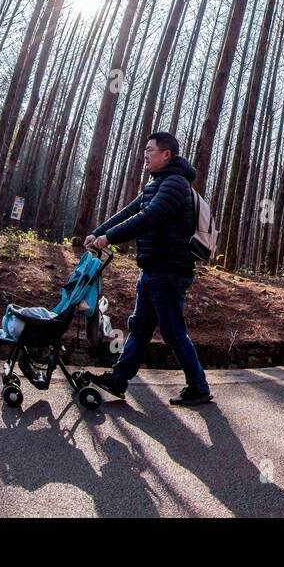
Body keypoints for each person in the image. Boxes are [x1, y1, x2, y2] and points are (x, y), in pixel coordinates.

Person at [85, 131, 212, 406]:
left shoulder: (175, 184)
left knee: (173, 331)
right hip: (152, 269)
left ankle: (199, 387)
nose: (145, 155)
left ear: (166, 154)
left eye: (150, 150)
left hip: (169, 271)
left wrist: (110, 238)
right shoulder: (156, 183)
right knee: (140, 327)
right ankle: (119, 379)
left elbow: (149, 217)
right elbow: (129, 212)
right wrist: (97, 232)